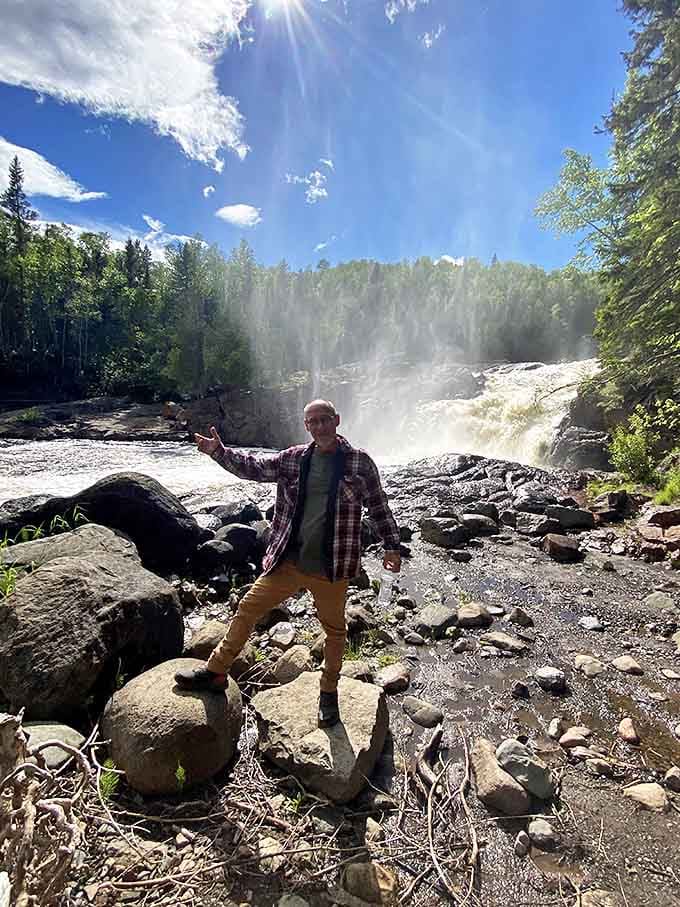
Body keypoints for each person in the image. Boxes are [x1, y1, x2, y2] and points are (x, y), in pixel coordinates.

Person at [175, 398, 402, 728]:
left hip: (332, 567)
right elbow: (254, 467)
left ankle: (328, 692)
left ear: (337, 420)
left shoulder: (359, 462)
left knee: (335, 632)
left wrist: (392, 546)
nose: (320, 426)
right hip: (288, 562)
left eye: (325, 419)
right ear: (306, 426)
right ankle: (216, 671)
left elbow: (379, 505)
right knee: (247, 608)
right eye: (313, 421)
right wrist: (219, 452)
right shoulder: (293, 458)